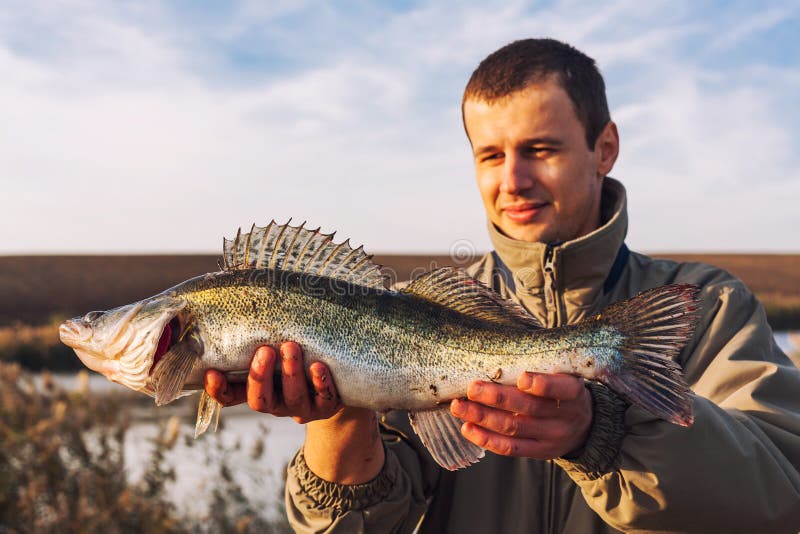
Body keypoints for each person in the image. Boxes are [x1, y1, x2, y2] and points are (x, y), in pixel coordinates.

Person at [204, 39, 800, 532]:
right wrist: (337, 415)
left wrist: (603, 433)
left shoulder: (711, 307)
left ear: (605, 149)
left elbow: (781, 495)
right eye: (490, 155)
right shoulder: (410, 313)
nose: (512, 180)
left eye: (539, 150)